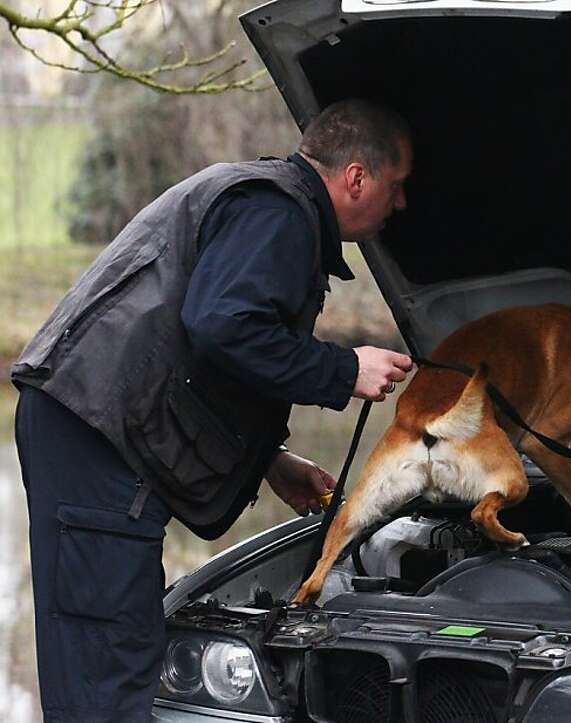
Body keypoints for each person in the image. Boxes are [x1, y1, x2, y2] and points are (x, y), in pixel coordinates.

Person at [9, 98, 415, 722]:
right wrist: (344, 369)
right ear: (357, 177)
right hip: (97, 437)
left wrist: (267, 459)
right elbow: (223, 326)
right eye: (398, 185)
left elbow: (207, 355)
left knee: (112, 651)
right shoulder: (278, 212)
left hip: (92, 426)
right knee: (108, 668)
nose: (402, 205)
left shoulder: (266, 200)